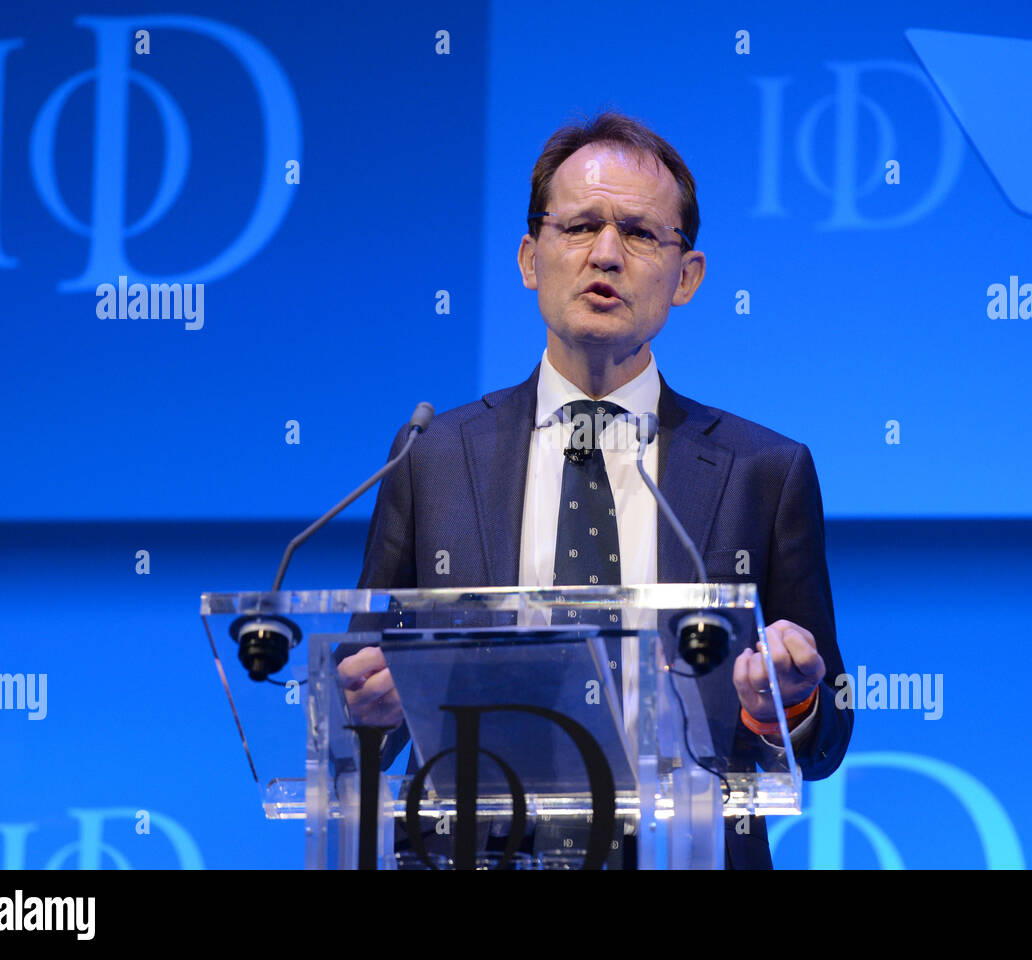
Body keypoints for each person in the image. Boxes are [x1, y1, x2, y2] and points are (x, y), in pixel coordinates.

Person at [339, 112, 851, 869]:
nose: (605, 254)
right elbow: (357, 695)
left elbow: (824, 735)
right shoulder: (432, 456)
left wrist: (790, 701)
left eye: (641, 234)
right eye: (578, 226)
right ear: (529, 257)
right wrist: (366, 713)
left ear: (686, 277)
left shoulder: (763, 471)